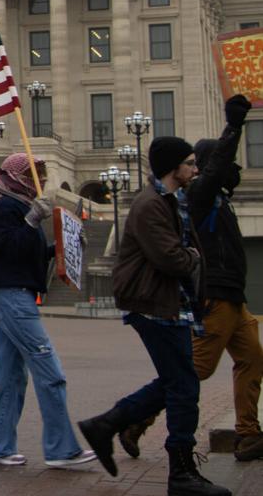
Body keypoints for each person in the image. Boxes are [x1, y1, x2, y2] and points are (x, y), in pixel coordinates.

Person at [79, 137, 232, 496]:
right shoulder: (150, 205)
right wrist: (193, 257)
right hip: (152, 304)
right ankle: (180, 475)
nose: (195, 169)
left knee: (177, 381)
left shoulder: (170, 201)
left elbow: (182, 254)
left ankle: (106, 424)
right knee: (183, 385)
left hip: (168, 302)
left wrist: (193, 266)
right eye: (190, 163)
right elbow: (171, 258)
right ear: (172, 166)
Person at [120, 96, 263, 463]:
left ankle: (248, 434)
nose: (233, 170)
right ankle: (135, 420)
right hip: (215, 298)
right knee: (188, 374)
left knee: (252, 359)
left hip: (235, 299)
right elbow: (215, 170)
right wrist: (233, 128)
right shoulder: (198, 197)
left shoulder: (221, 200)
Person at [0, 154, 95, 469]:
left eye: (41, 172)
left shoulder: (20, 206)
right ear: (18, 176)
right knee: (49, 371)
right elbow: (4, 245)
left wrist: (61, 247)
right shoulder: (6, 207)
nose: (39, 178)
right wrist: (31, 221)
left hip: (14, 291)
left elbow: (27, 253)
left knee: (11, 373)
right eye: (34, 172)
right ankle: (61, 448)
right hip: (12, 295)